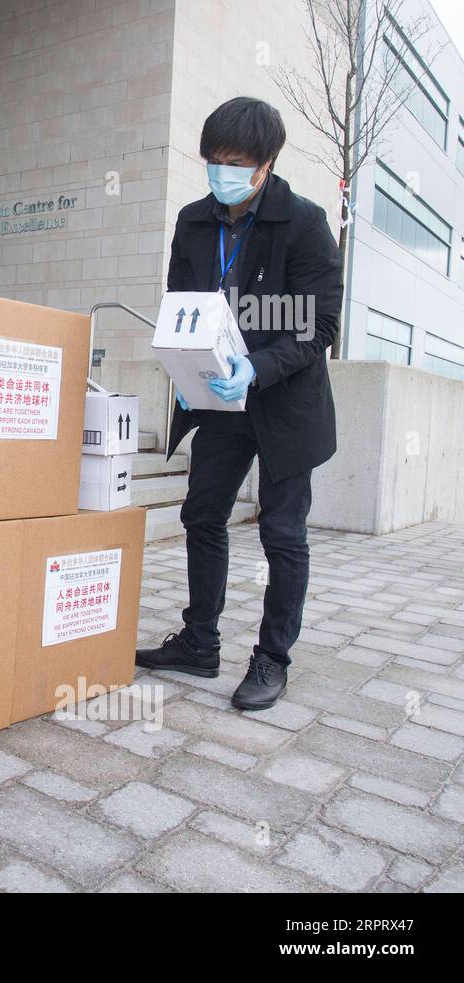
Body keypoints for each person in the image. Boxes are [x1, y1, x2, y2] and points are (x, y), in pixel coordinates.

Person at [136, 96, 343, 711]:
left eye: (235, 162)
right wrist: (183, 361)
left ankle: (271, 659)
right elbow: (182, 300)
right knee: (202, 515)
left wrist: (257, 366)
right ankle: (199, 642)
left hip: (283, 400)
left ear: (265, 163)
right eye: (212, 161)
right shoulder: (194, 221)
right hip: (217, 401)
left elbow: (317, 324)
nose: (221, 172)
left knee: (282, 534)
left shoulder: (303, 223)